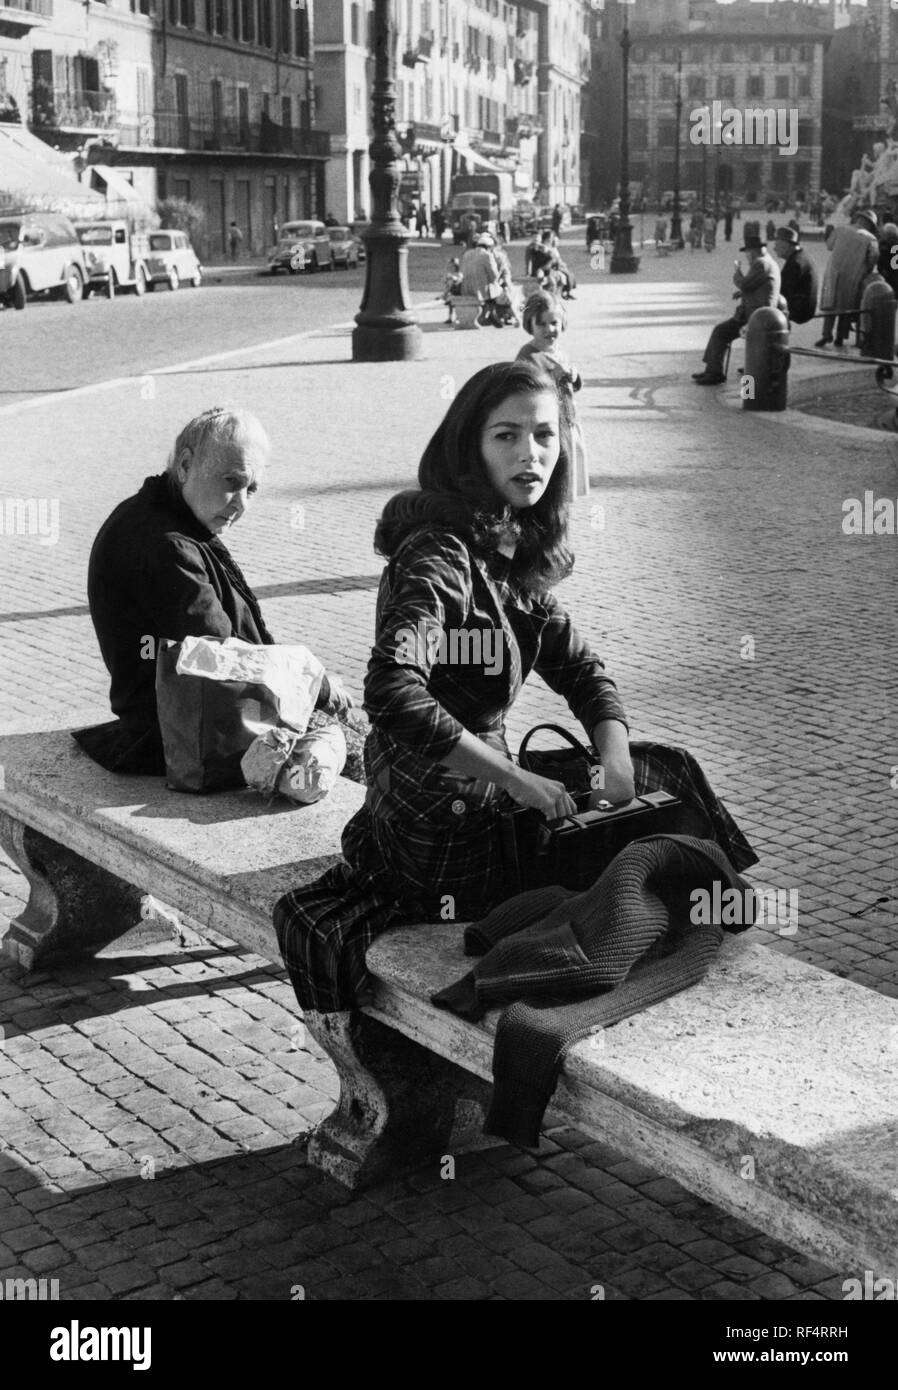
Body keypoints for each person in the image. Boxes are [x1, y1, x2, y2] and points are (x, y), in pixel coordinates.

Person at [273, 360, 758, 1014]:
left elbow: (582, 671)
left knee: (658, 771)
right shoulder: (438, 557)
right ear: (468, 445)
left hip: (489, 795)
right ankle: (692, 925)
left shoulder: (507, 546)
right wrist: (517, 780)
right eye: (506, 436)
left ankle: (711, 914)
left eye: (545, 436)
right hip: (443, 823)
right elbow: (392, 693)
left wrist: (611, 761)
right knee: (636, 831)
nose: (530, 453)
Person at [74, 407, 357, 776]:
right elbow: (224, 655)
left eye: (251, 488)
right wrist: (316, 686)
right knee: (361, 752)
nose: (242, 503)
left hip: (189, 717)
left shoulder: (161, 516)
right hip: (182, 735)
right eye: (232, 482)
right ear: (185, 465)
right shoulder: (166, 544)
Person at [692, 232, 781, 385]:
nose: (747, 257)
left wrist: (737, 272)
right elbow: (758, 287)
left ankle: (715, 372)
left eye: (747, 253)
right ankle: (715, 372)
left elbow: (745, 284)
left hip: (755, 318)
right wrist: (742, 293)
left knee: (720, 332)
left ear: (752, 252)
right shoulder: (768, 262)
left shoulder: (761, 263)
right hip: (761, 316)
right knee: (750, 374)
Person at [816, 210, 880, 348]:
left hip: (832, 273)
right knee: (846, 307)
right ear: (870, 225)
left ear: (857, 219)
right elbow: (872, 260)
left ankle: (826, 335)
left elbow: (829, 246)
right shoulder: (871, 239)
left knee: (829, 305)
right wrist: (866, 270)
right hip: (854, 276)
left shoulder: (841, 229)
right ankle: (840, 337)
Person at [773, 226, 818, 324]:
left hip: (800, 312)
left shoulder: (795, 263)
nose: (774, 249)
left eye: (776, 245)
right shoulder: (801, 256)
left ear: (785, 245)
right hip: (805, 307)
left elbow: (782, 290)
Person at [443, 256, 463, 324]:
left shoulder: (459, 274)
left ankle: (457, 318)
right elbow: (446, 283)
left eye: (453, 266)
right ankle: (450, 318)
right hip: (452, 293)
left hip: (458, 293)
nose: (451, 268)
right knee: (450, 306)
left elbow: (459, 281)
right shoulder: (450, 274)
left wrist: (453, 278)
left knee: (457, 306)